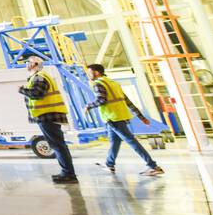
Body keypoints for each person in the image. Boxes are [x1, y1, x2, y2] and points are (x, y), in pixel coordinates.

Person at [87, 64, 163, 176]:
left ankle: (153, 166)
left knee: (132, 142)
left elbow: (101, 100)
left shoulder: (98, 84)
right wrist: (141, 117)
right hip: (120, 116)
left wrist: (88, 106)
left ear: (97, 72)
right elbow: (128, 101)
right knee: (114, 142)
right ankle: (109, 164)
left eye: (90, 72)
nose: (88, 75)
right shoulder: (113, 83)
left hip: (113, 117)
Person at [19, 55, 77, 183]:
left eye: (27, 62)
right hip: (48, 115)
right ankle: (67, 172)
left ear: (34, 64)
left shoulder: (39, 76)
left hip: (47, 115)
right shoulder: (41, 76)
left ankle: (68, 174)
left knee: (58, 146)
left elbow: (37, 94)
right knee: (58, 145)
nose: (26, 65)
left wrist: (23, 90)